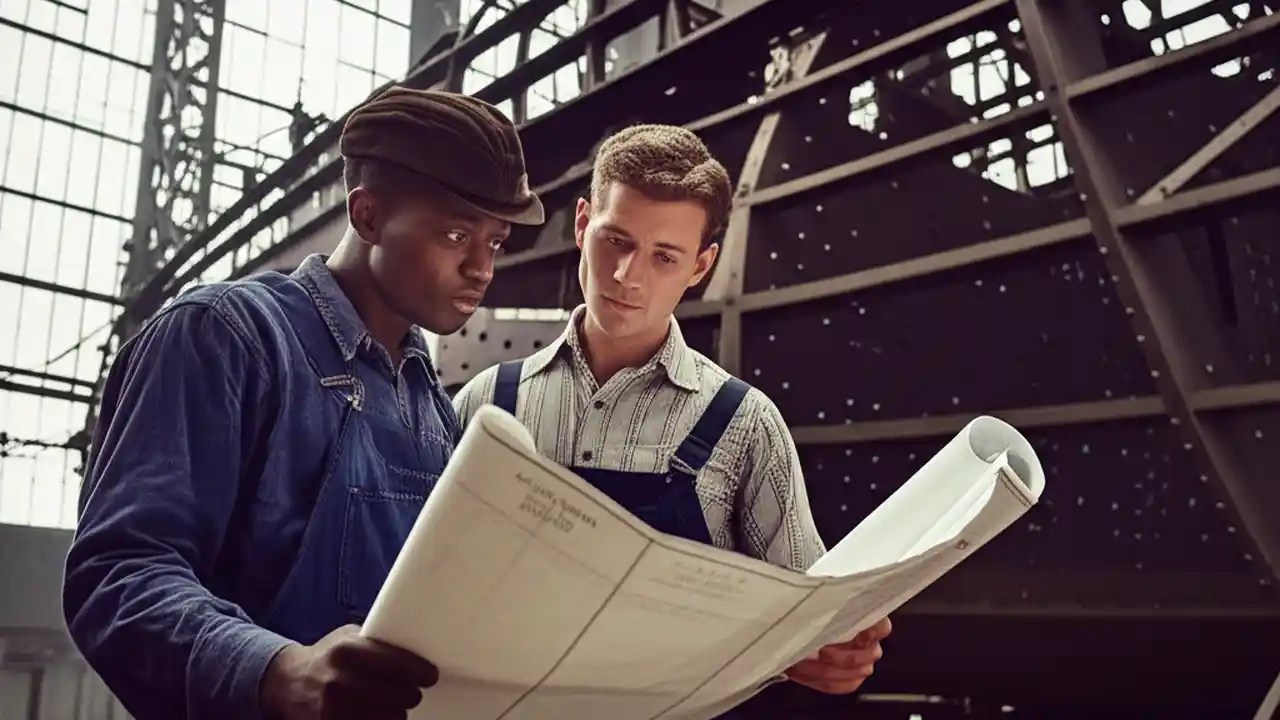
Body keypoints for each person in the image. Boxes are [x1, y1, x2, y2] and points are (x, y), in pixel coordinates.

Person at [63, 86, 544, 720]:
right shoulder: (226, 336)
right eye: (458, 234)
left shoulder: (431, 404)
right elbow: (118, 574)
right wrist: (276, 672)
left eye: (496, 241)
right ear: (367, 215)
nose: (481, 267)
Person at [452, 124, 892, 702]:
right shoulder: (483, 405)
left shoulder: (745, 425)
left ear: (701, 265)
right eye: (616, 240)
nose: (628, 276)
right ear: (583, 225)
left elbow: (803, 618)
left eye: (664, 256)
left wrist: (827, 650)